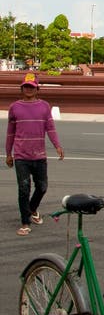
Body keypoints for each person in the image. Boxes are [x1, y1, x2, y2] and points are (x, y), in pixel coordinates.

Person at [5, 72, 65, 237]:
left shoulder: (44, 106)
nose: (28, 89)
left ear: (37, 88)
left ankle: (32, 209)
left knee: (42, 187)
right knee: (24, 189)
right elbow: (10, 132)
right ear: (21, 88)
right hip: (21, 156)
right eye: (26, 86)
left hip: (39, 155)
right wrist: (8, 154)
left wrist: (57, 145)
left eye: (31, 87)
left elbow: (50, 128)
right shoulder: (15, 107)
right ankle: (25, 222)